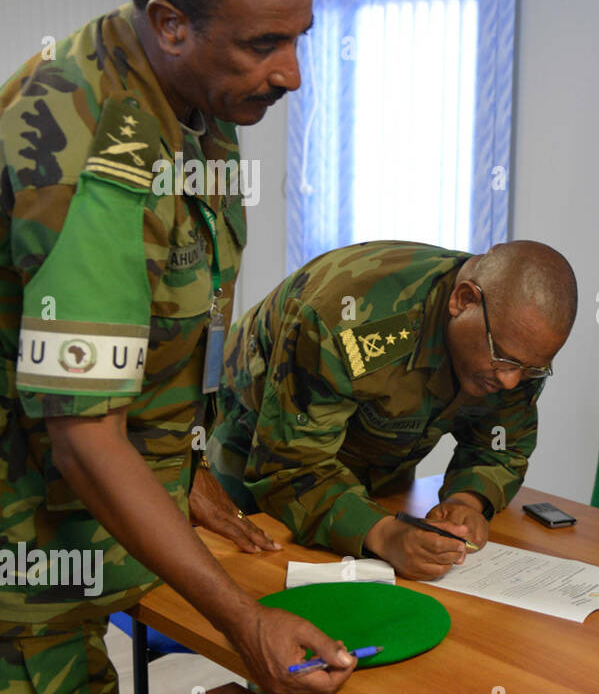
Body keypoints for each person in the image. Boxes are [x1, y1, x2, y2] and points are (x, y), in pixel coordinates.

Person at [0, 0, 356, 694]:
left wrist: (180, 465)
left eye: (298, 39)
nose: (291, 74)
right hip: (31, 565)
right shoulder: (93, 155)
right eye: (264, 44)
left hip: (91, 529)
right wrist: (243, 622)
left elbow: (164, 323)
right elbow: (85, 438)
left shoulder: (193, 88)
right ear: (170, 21)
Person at [208, 240, 577, 579]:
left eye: (531, 369)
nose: (513, 381)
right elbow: (291, 468)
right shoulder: (355, 325)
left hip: (374, 453)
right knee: (239, 576)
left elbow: (499, 446)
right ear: (462, 300)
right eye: (505, 360)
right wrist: (384, 535)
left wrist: (469, 500)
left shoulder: (514, 346)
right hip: (254, 432)